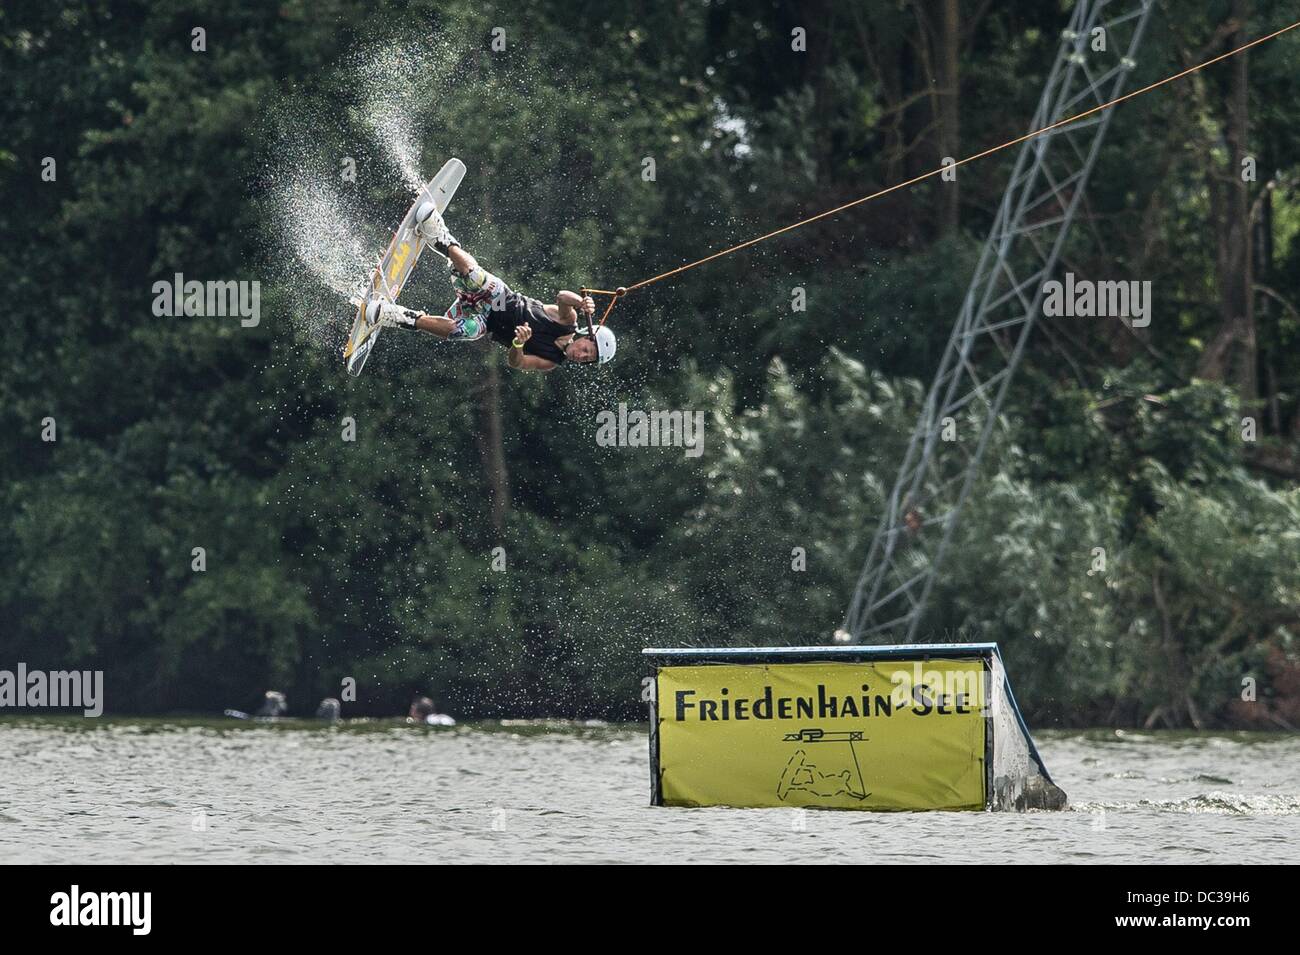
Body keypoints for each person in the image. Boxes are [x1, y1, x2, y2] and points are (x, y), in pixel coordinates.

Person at [369, 204, 616, 372]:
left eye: (588, 359)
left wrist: (519, 344)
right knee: (474, 275)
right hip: (500, 299)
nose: (581, 355)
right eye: (587, 349)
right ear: (586, 334)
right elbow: (562, 297)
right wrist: (581, 302)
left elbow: (517, 363)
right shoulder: (568, 321)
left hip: (484, 321)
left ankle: (396, 316)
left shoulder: (551, 361)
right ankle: (439, 236)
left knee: (458, 331)